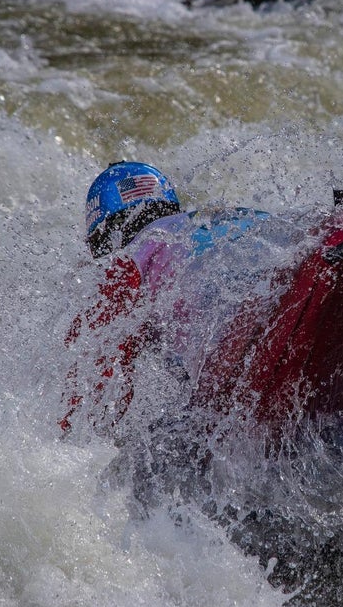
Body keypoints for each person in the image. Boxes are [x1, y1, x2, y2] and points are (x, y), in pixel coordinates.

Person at [60, 161, 268, 436]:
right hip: (292, 268)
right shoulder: (206, 219)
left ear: (104, 239)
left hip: (240, 331)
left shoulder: (127, 263)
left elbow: (95, 386)